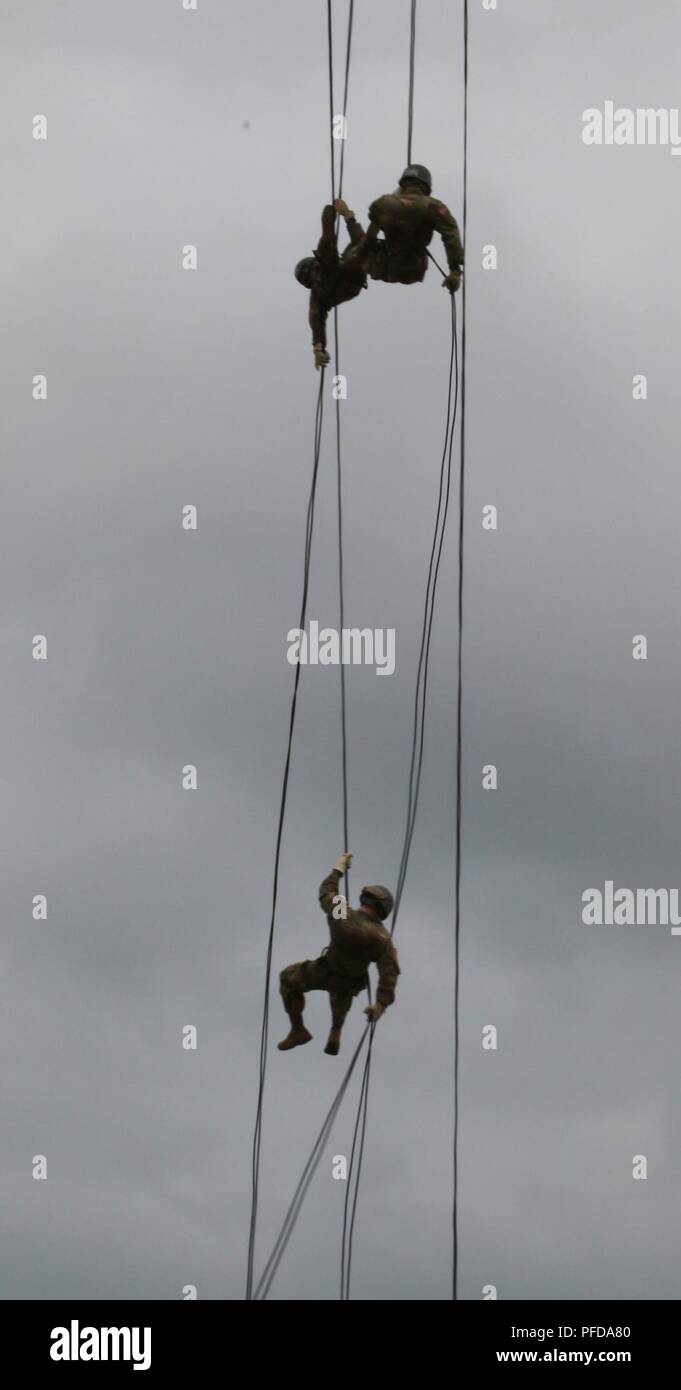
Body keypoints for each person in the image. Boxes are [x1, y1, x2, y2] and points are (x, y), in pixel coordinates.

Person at [278, 852, 400, 1056]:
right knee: (341, 1001)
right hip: (350, 981)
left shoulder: (343, 915)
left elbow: (327, 894)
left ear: (365, 899)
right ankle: (335, 1032)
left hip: (325, 970)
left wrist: (337, 871)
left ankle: (298, 1029)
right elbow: (389, 974)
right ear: (383, 910)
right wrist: (380, 1005)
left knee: (288, 978)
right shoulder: (383, 939)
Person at [295, 200, 372, 370]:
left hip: (347, 279)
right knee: (346, 248)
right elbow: (316, 319)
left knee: (348, 249)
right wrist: (348, 217)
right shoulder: (317, 290)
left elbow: (317, 321)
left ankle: (336, 224)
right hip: (345, 276)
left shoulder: (315, 297)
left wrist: (318, 348)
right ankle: (339, 221)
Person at [365, 163, 464, 291]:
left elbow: (370, 237)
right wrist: (455, 272)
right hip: (413, 270)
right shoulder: (434, 206)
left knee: (366, 245)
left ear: (402, 184)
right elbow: (451, 234)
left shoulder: (383, 203)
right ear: (426, 187)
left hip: (386, 267)